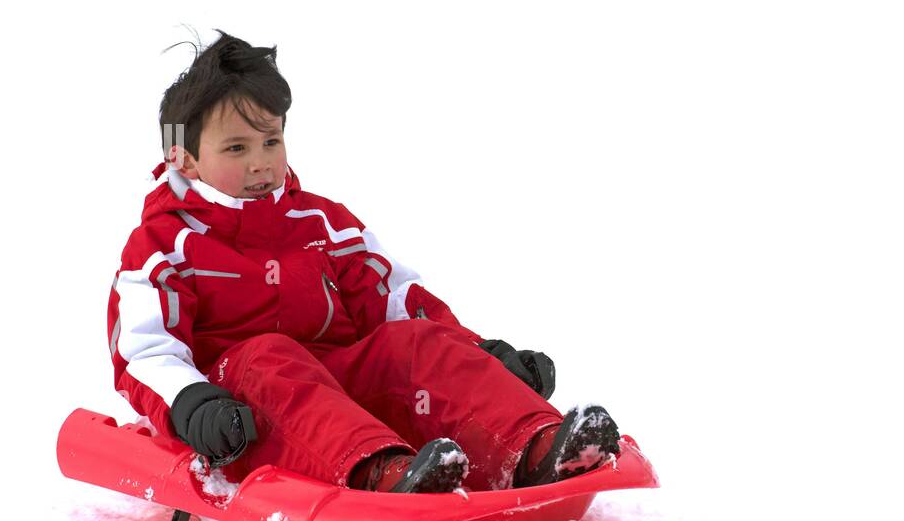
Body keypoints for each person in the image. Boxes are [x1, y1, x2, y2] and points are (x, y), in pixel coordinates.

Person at [107, 29, 620, 494]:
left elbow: (397, 305)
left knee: (411, 345)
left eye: (271, 140)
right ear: (186, 158)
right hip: (240, 413)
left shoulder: (322, 225)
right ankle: (383, 474)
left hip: (338, 390)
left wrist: (482, 354)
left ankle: (533, 445)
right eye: (237, 147)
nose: (260, 162)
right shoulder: (163, 243)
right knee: (268, 356)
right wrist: (192, 403)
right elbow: (144, 352)